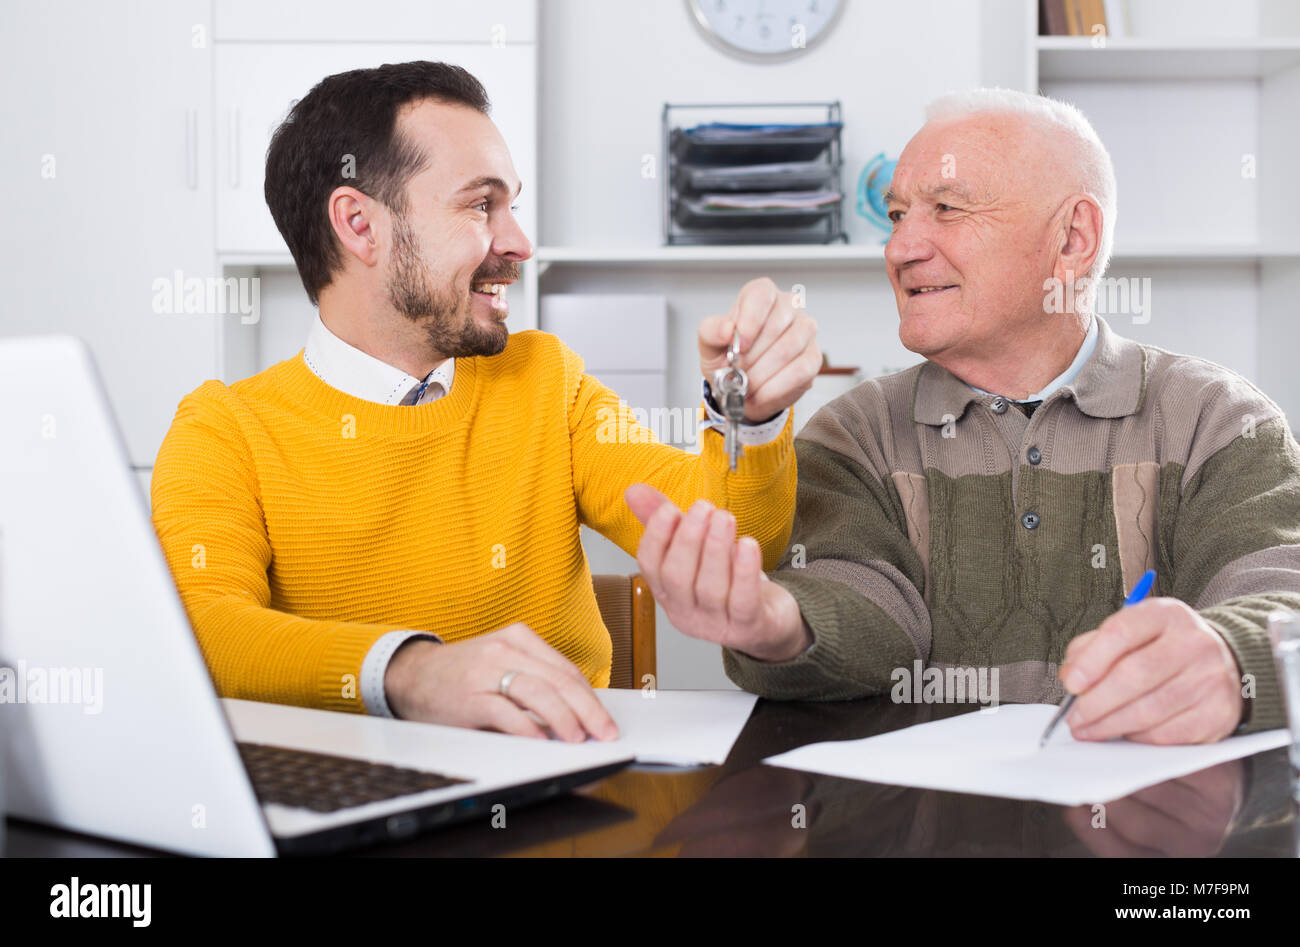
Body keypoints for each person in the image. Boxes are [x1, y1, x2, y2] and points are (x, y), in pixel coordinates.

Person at [150, 61, 821, 741]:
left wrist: (754, 420)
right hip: (354, 804)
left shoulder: (545, 380)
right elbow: (204, 630)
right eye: (481, 204)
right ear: (359, 225)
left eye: (512, 206)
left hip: (563, 797)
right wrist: (409, 673)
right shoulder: (224, 429)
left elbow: (734, 541)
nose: (519, 244)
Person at [627, 88, 1300, 744]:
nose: (899, 249)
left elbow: (1282, 600)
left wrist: (1227, 656)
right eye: (895, 216)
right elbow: (869, 609)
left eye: (947, 208)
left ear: (1073, 239)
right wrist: (779, 622)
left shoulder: (1220, 420)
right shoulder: (854, 431)